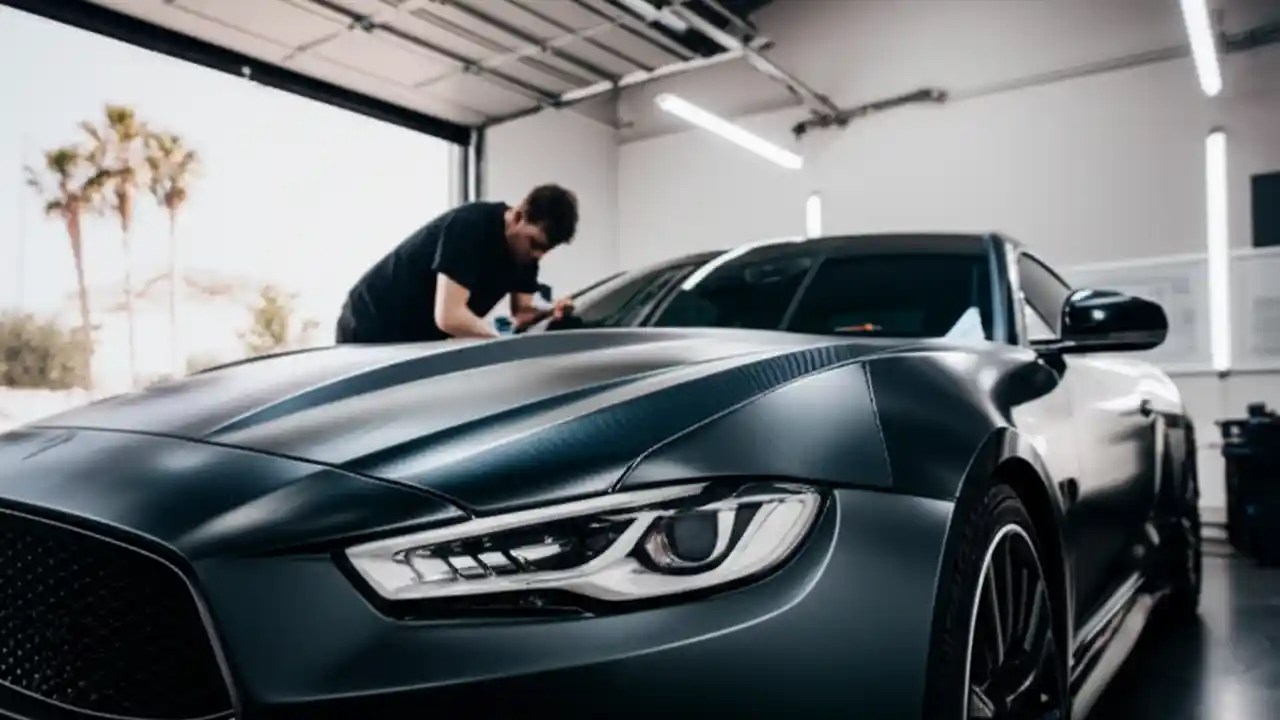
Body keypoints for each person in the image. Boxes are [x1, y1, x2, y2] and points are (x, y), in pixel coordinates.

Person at [335, 184, 579, 343]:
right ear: (517, 217)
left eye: (546, 250)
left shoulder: (526, 256)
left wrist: (551, 312)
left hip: (415, 337)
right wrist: (499, 344)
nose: (538, 256)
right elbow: (449, 316)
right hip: (370, 321)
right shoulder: (471, 225)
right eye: (534, 243)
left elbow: (522, 313)